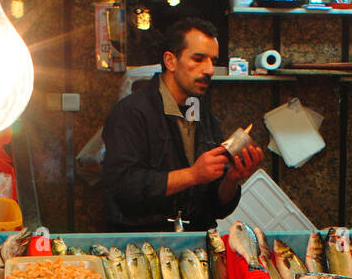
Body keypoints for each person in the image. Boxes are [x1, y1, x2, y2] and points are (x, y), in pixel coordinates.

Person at [102, 18, 264, 233]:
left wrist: (231, 180)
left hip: (195, 243)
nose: (209, 70)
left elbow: (216, 208)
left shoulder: (204, 118)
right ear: (170, 61)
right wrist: (192, 175)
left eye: (212, 61)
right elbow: (123, 188)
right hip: (143, 246)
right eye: (198, 59)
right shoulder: (131, 113)